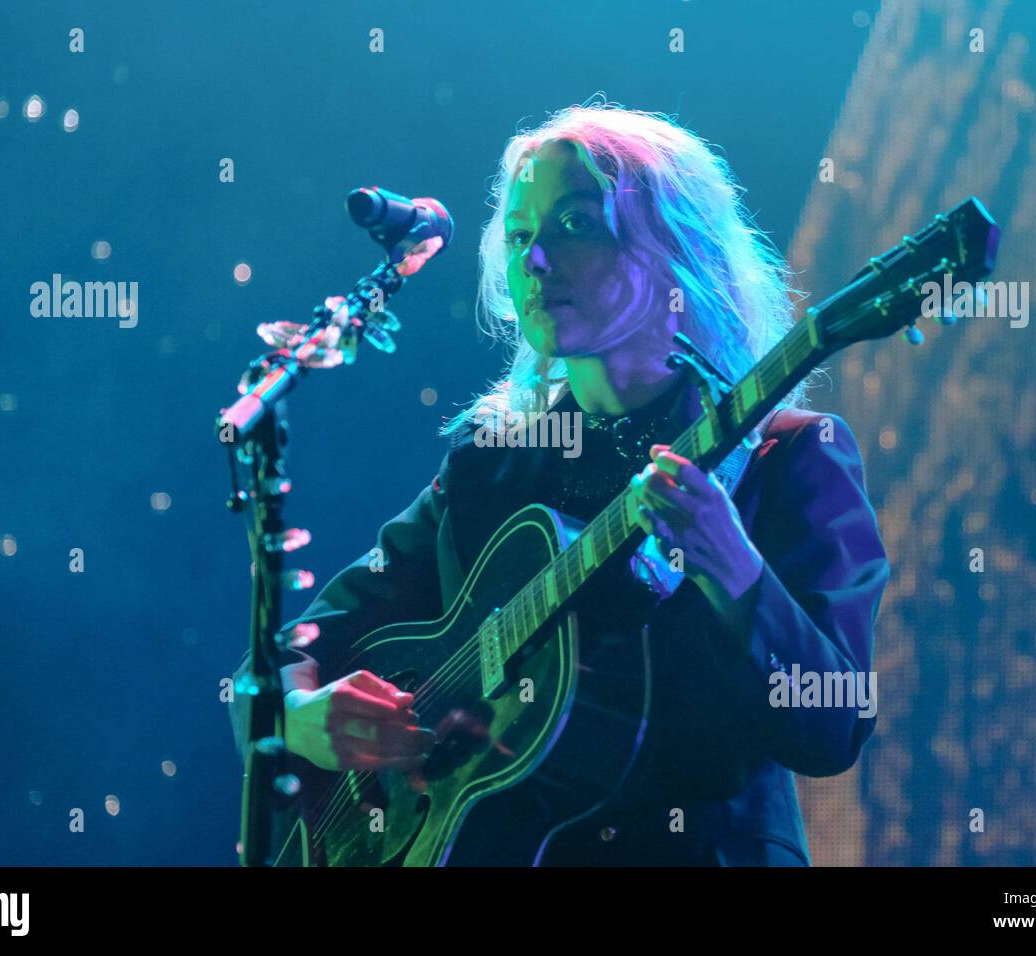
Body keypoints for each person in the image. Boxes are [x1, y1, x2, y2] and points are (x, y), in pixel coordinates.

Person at [230, 102, 890, 866]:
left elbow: (832, 727)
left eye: (575, 225)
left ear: (673, 249)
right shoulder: (490, 469)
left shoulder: (790, 458)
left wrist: (732, 567)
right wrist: (306, 715)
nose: (534, 261)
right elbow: (286, 655)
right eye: (519, 237)